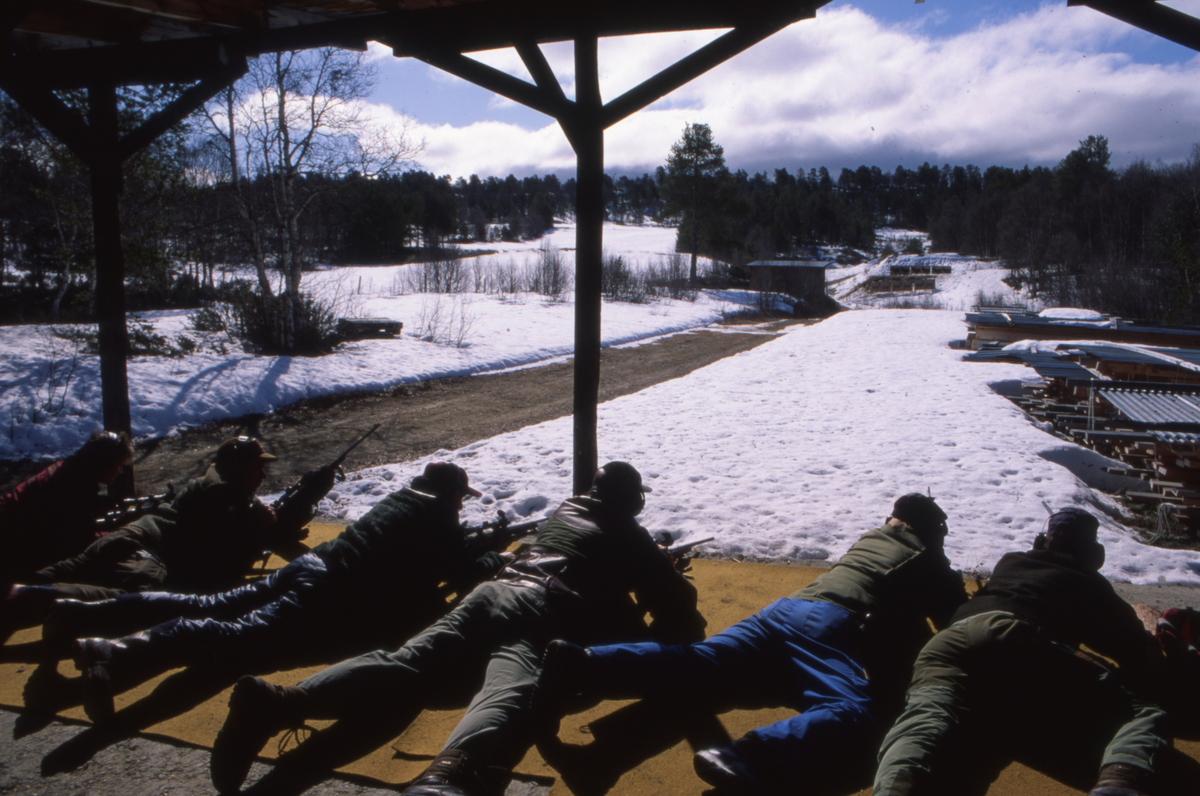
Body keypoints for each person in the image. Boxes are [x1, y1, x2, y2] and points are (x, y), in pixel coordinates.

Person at [207, 461, 705, 796]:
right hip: (538, 609)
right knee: (513, 690)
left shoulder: (566, 510)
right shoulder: (629, 533)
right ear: (632, 501)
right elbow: (677, 608)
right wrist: (661, 574)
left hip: (491, 590)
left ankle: (282, 702)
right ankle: (447, 777)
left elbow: (586, 556)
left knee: (407, 663)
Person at [536, 492, 968, 795]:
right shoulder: (927, 559)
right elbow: (958, 621)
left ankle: (588, 664)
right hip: (829, 624)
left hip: (781, 612)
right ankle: (747, 756)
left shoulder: (872, 538)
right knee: (855, 711)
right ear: (933, 532)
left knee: (700, 662)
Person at [65, 462, 506, 723]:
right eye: (461, 497)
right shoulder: (439, 516)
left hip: (308, 564)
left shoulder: (402, 499)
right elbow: (464, 574)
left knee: (213, 605)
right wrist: (493, 557)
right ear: (450, 492)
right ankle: (114, 653)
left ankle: (88, 617)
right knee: (241, 635)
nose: (462, 504)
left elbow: (413, 553)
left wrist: (464, 546)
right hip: (325, 586)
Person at [872, 507, 1168, 796]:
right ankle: (1120, 784)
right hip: (1016, 638)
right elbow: (1129, 645)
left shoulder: (1011, 562)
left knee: (928, 718)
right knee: (1140, 712)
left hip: (949, 641)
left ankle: (896, 788)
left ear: (1041, 540)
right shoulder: (1087, 579)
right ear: (1093, 551)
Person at [1, 437, 292, 641]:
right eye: (256, 469)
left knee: (60, 572)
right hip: (145, 549)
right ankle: (58, 603)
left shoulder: (211, 480)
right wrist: (258, 519)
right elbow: (226, 549)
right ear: (238, 468)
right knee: (141, 602)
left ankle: (22, 590)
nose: (262, 476)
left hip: (127, 536)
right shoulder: (223, 494)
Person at [0, 429, 135, 582]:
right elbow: (82, 541)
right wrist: (119, 535)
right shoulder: (73, 486)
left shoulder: (72, 469)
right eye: (119, 465)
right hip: (11, 546)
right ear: (104, 462)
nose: (120, 471)